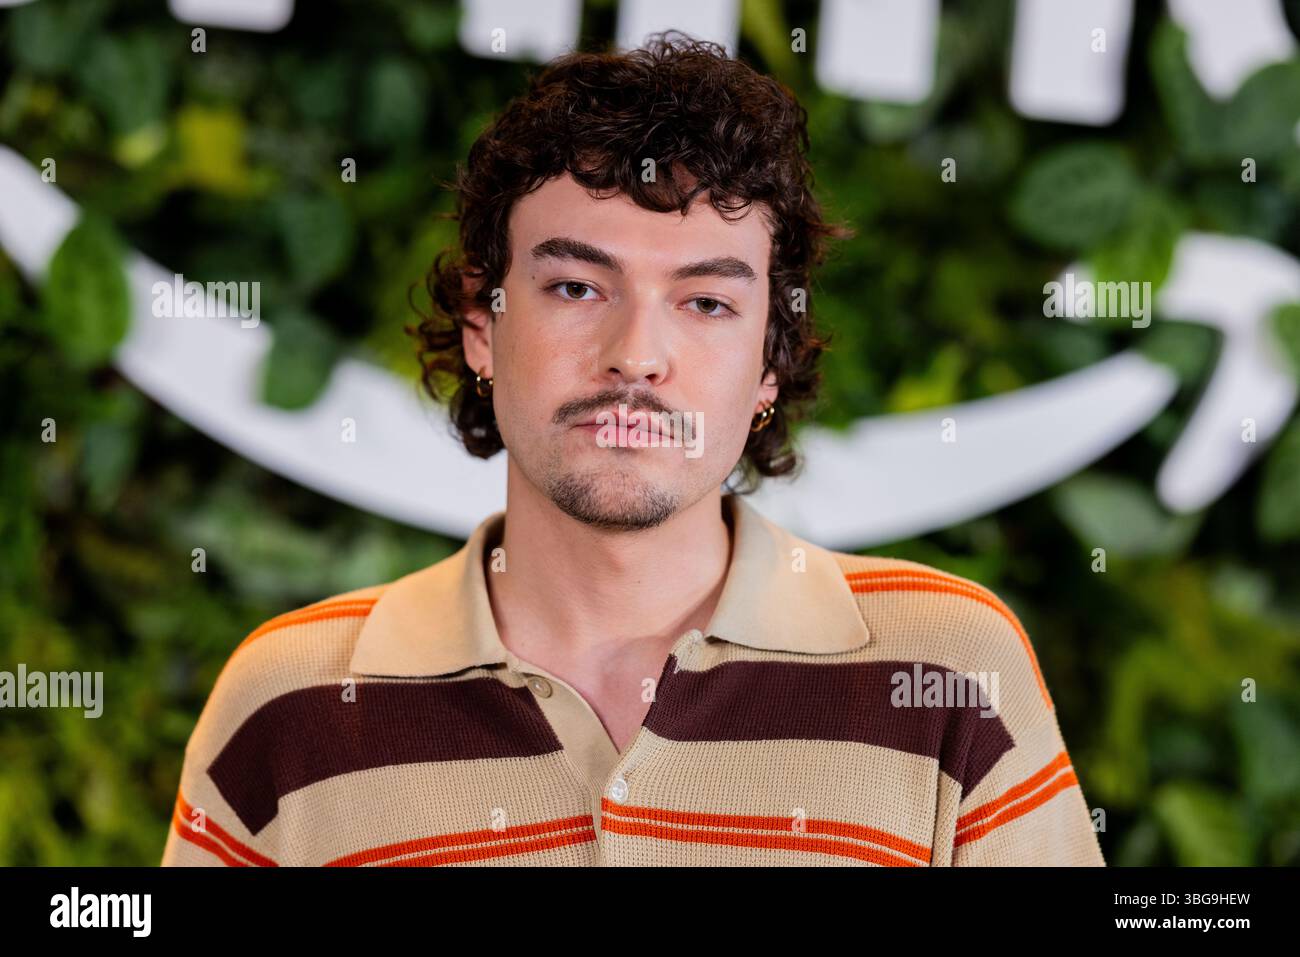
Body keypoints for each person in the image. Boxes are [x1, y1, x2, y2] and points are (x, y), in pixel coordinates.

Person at [162, 32, 1104, 867]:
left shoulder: (951, 674)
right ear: (482, 325)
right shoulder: (287, 698)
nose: (636, 358)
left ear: (770, 364)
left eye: (706, 302)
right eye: (577, 287)